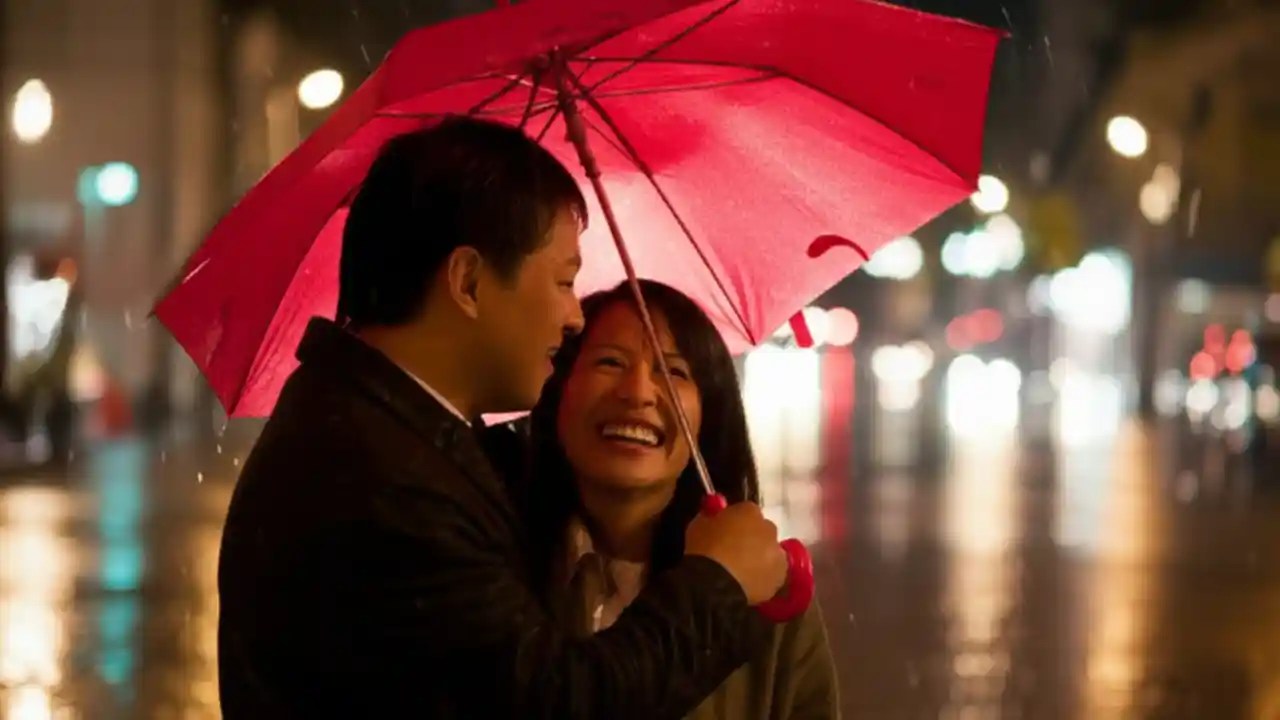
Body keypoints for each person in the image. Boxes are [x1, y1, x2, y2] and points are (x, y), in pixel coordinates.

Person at [216, 116, 789, 719]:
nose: (573, 317)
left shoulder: (388, 432)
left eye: (672, 371)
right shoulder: (384, 476)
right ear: (467, 281)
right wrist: (718, 583)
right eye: (564, 280)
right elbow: (552, 705)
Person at [519, 280, 839, 719]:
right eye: (610, 362)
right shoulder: (495, 571)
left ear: (710, 414)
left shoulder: (767, 594)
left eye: (673, 371)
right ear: (557, 393)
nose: (638, 392)